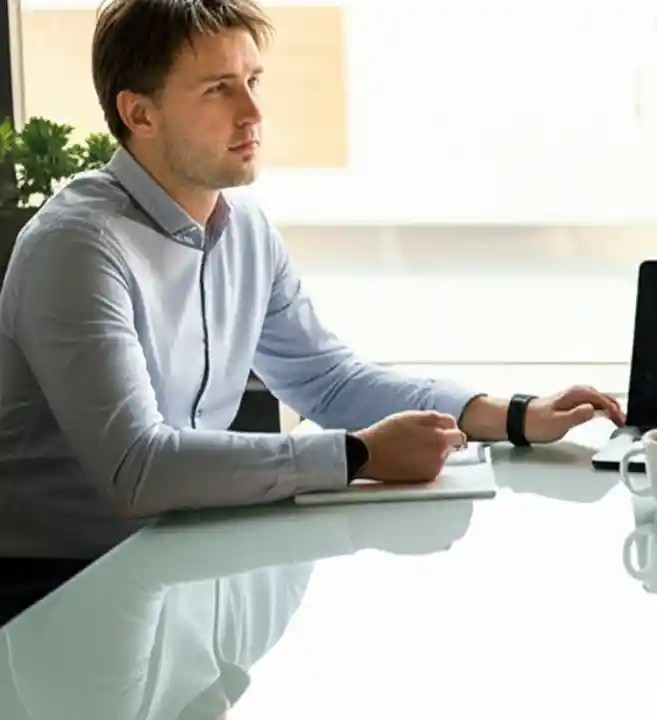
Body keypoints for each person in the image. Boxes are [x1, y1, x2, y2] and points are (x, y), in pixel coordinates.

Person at [0, 0, 624, 608]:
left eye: (252, 80)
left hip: (175, 565)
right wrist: (358, 455)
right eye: (219, 89)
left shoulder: (243, 228)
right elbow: (139, 469)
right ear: (140, 114)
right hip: (58, 587)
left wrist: (512, 416)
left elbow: (328, 382)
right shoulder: (78, 248)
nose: (252, 113)